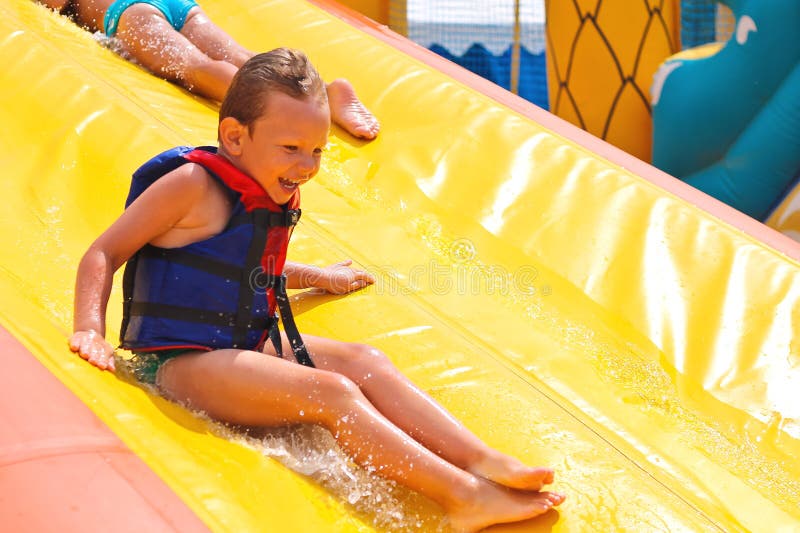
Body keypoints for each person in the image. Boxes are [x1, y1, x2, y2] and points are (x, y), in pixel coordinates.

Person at [69, 48, 564, 532]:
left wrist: (317, 276)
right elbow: (103, 253)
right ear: (234, 137)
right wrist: (89, 329)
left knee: (364, 360)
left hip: (240, 345)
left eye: (317, 150)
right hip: (180, 362)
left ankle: (480, 460)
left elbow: (238, 271)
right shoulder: (191, 185)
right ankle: (464, 498)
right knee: (333, 393)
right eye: (291, 148)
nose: (306, 165)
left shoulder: (269, 184)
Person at [35, 0, 379, 140]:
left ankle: (263, 100)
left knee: (193, 67)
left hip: (130, 14)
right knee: (245, 57)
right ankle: (323, 89)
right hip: (179, 5)